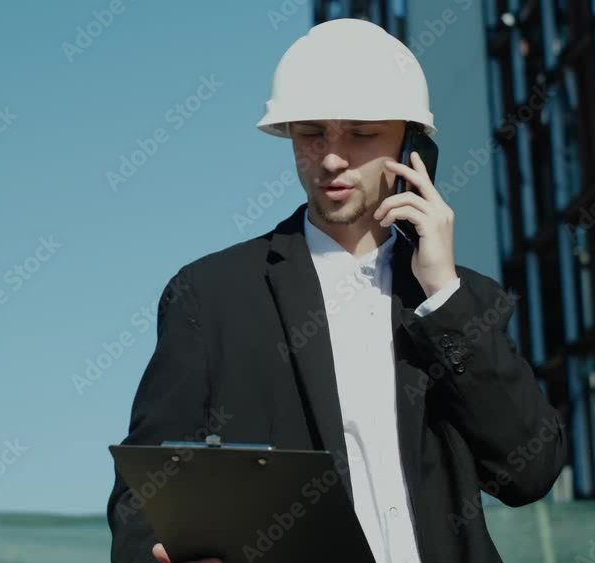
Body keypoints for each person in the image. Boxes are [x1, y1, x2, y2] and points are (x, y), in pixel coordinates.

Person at [107, 18, 566, 563]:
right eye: (311, 133)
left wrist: (442, 292)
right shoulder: (211, 296)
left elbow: (528, 472)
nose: (330, 157)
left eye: (361, 134)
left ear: (413, 147)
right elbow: (147, 492)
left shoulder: (464, 303)